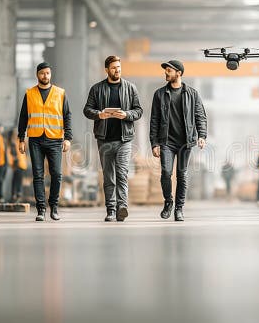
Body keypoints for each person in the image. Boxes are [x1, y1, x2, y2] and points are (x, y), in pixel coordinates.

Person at [83, 55, 143, 222]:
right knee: (109, 176)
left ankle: (122, 207)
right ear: (107, 70)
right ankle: (110, 209)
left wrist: (127, 114)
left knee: (122, 174)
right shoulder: (97, 89)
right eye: (114, 67)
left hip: (124, 140)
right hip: (104, 140)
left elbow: (138, 111)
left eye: (119, 67)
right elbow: (87, 109)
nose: (117, 70)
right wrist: (99, 114)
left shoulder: (131, 88)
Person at [149, 60, 207, 222]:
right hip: (166, 141)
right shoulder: (159, 94)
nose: (166, 73)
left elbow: (200, 116)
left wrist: (202, 135)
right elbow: (154, 120)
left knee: (182, 175)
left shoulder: (192, 94)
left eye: (169, 70)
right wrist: (154, 143)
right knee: (166, 173)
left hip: (185, 142)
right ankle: (168, 202)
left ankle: (179, 209)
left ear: (178, 73)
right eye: (166, 71)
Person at [17, 62, 73, 221]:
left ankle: (54, 206)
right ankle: (41, 209)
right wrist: (21, 138)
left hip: (55, 139)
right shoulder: (29, 94)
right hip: (35, 139)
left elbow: (67, 115)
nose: (45, 76)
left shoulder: (60, 93)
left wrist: (68, 138)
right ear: (37, 75)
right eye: (42, 73)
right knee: (38, 175)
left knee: (56, 174)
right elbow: (23, 118)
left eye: (48, 73)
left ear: (50, 74)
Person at [7, 128, 28, 202]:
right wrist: (11, 163)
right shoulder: (12, 143)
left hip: (21, 164)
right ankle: (15, 195)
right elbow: (9, 154)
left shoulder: (19, 141)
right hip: (16, 165)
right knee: (15, 180)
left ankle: (17, 195)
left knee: (18, 180)